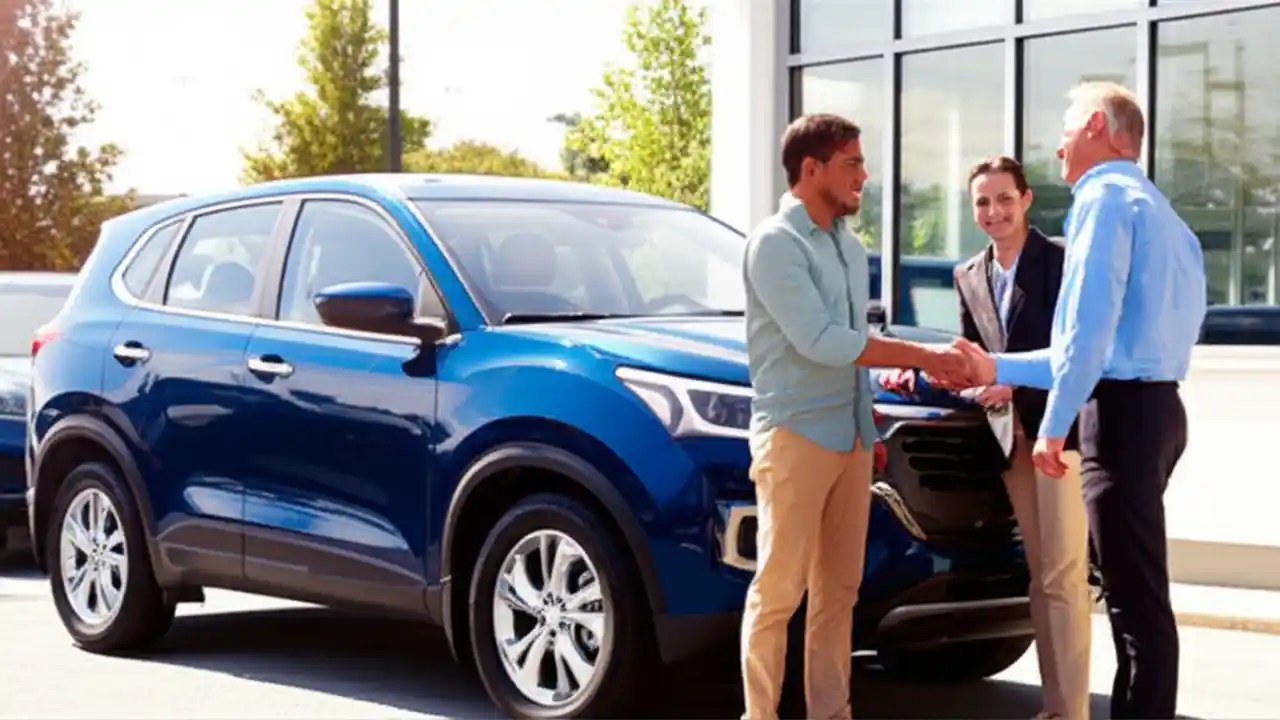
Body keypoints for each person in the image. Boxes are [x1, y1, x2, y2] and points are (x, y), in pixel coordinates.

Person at [951, 82, 1207, 719]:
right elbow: (1105, 342)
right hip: (1159, 412)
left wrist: (1054, 425)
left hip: (1118, 418)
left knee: (1135, 606)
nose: (1058, 142)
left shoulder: (1103, 199)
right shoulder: (1168, 218)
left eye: (1066, 127)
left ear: (1096, 125)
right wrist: (997, 363)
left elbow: (1086, 336)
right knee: (1132, 600)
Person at [740, 112, 970, 720]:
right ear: (810, 169)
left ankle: (831, 714)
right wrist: (924, 356)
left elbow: (854, 354)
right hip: (793, 437)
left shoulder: (848, 245)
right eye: (852, 163)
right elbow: (824, 341)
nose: (864, 176)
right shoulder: (774, 245)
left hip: (848, 440)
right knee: (778, 593)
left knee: (839, 593)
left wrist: (867, 432)